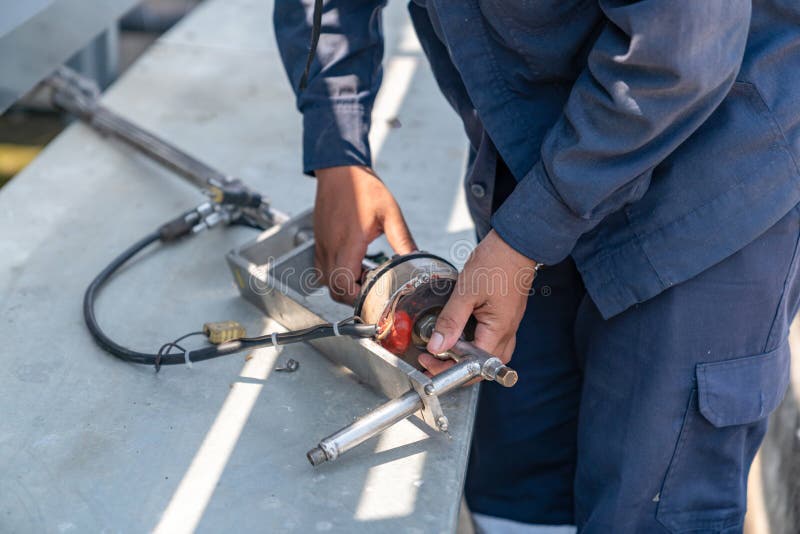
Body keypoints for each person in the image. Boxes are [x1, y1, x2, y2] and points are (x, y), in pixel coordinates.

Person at [274, 1, 800, 532]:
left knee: (648, 507)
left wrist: (529, 233)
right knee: (515, 491)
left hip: (707, 170)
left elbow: (685, 46)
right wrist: (337, 142)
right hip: (526, 149)